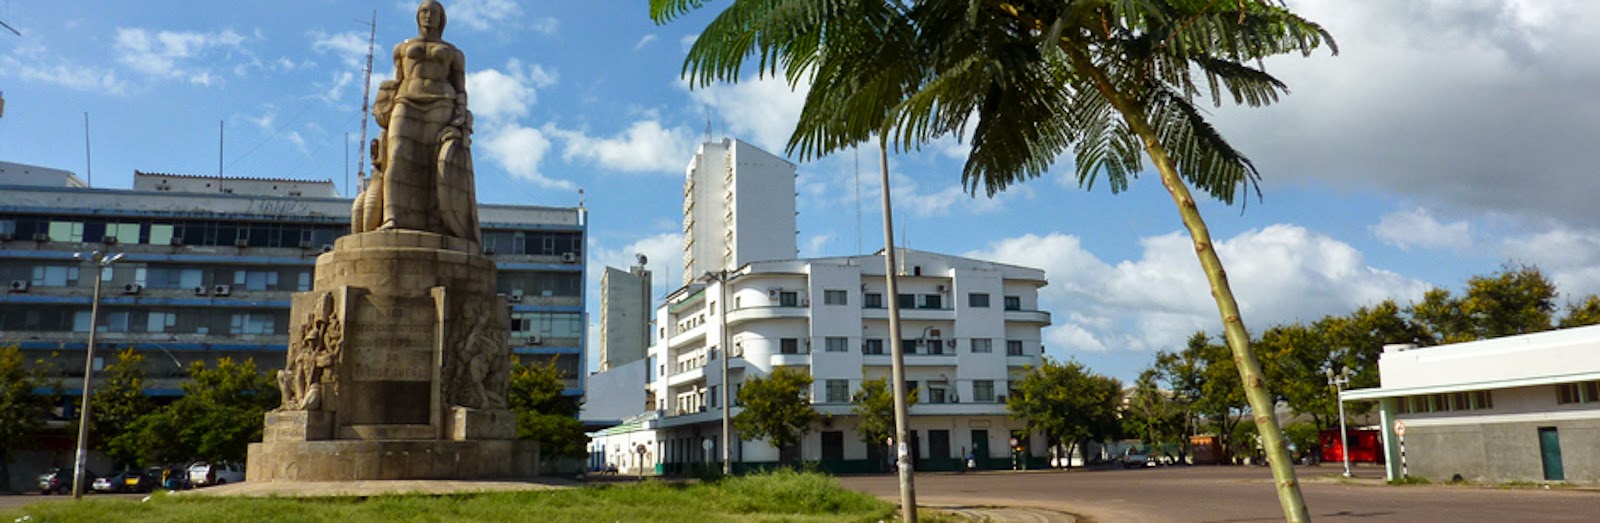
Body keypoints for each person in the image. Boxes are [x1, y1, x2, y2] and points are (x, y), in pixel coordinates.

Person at [353, 0, 479, 242]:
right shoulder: (402, 48)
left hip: (442, 103)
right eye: (423, 11)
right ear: (417, 16)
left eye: (433, 12)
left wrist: (461, 112)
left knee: (434, 163)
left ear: (442, 18)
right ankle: (393, 217)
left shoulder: (454, 53)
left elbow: (461, 88)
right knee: (398, 156)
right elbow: (397, 80)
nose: (428, 16)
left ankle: (435, 221)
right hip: (407, 101)